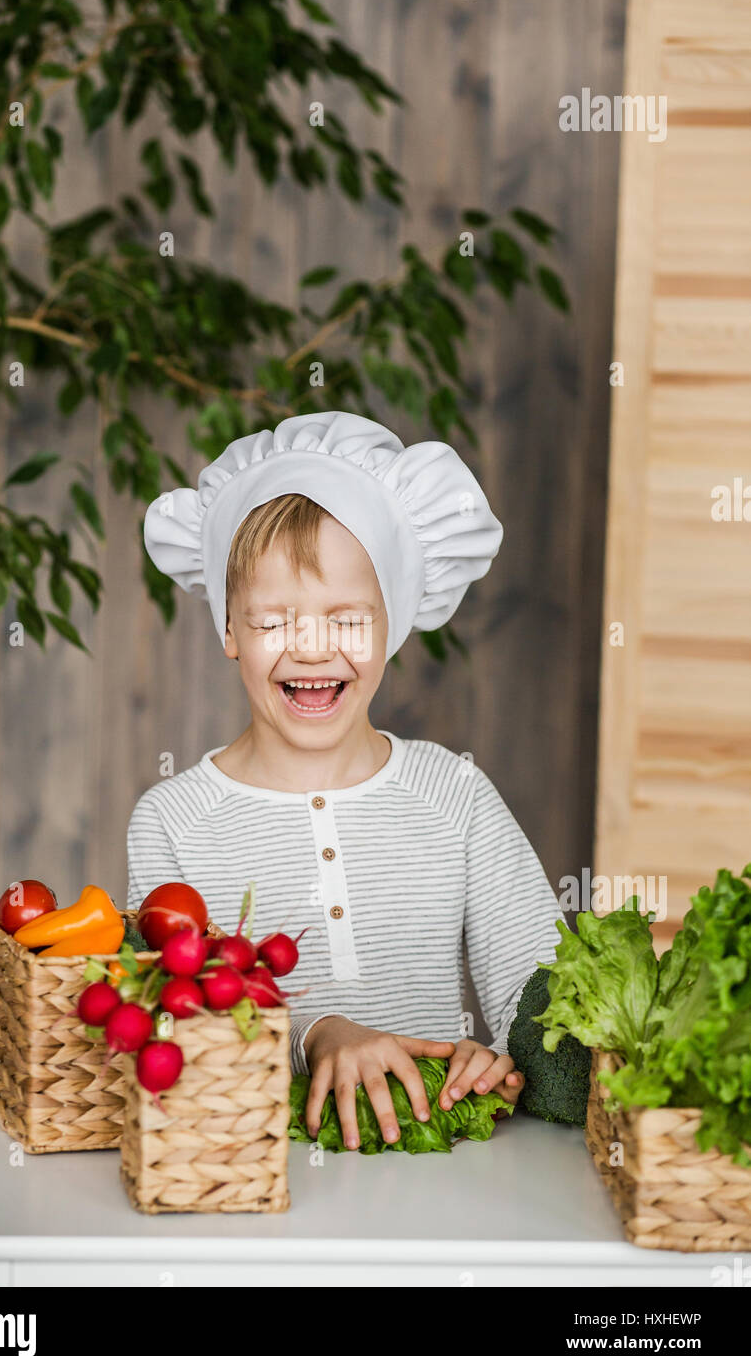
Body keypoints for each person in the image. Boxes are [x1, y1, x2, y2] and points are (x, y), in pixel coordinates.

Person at [128, 411, 565, 1150]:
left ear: (392, 625)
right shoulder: (173, 820)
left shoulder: (454, 795)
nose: (311, 647)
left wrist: (494, 1064)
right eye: (273, 621)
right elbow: (174, 1032)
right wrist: (316, 1035)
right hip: (254, 1189)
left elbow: (545, 1002)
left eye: (348, 619)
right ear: (228, 631)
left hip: (445, 1184)